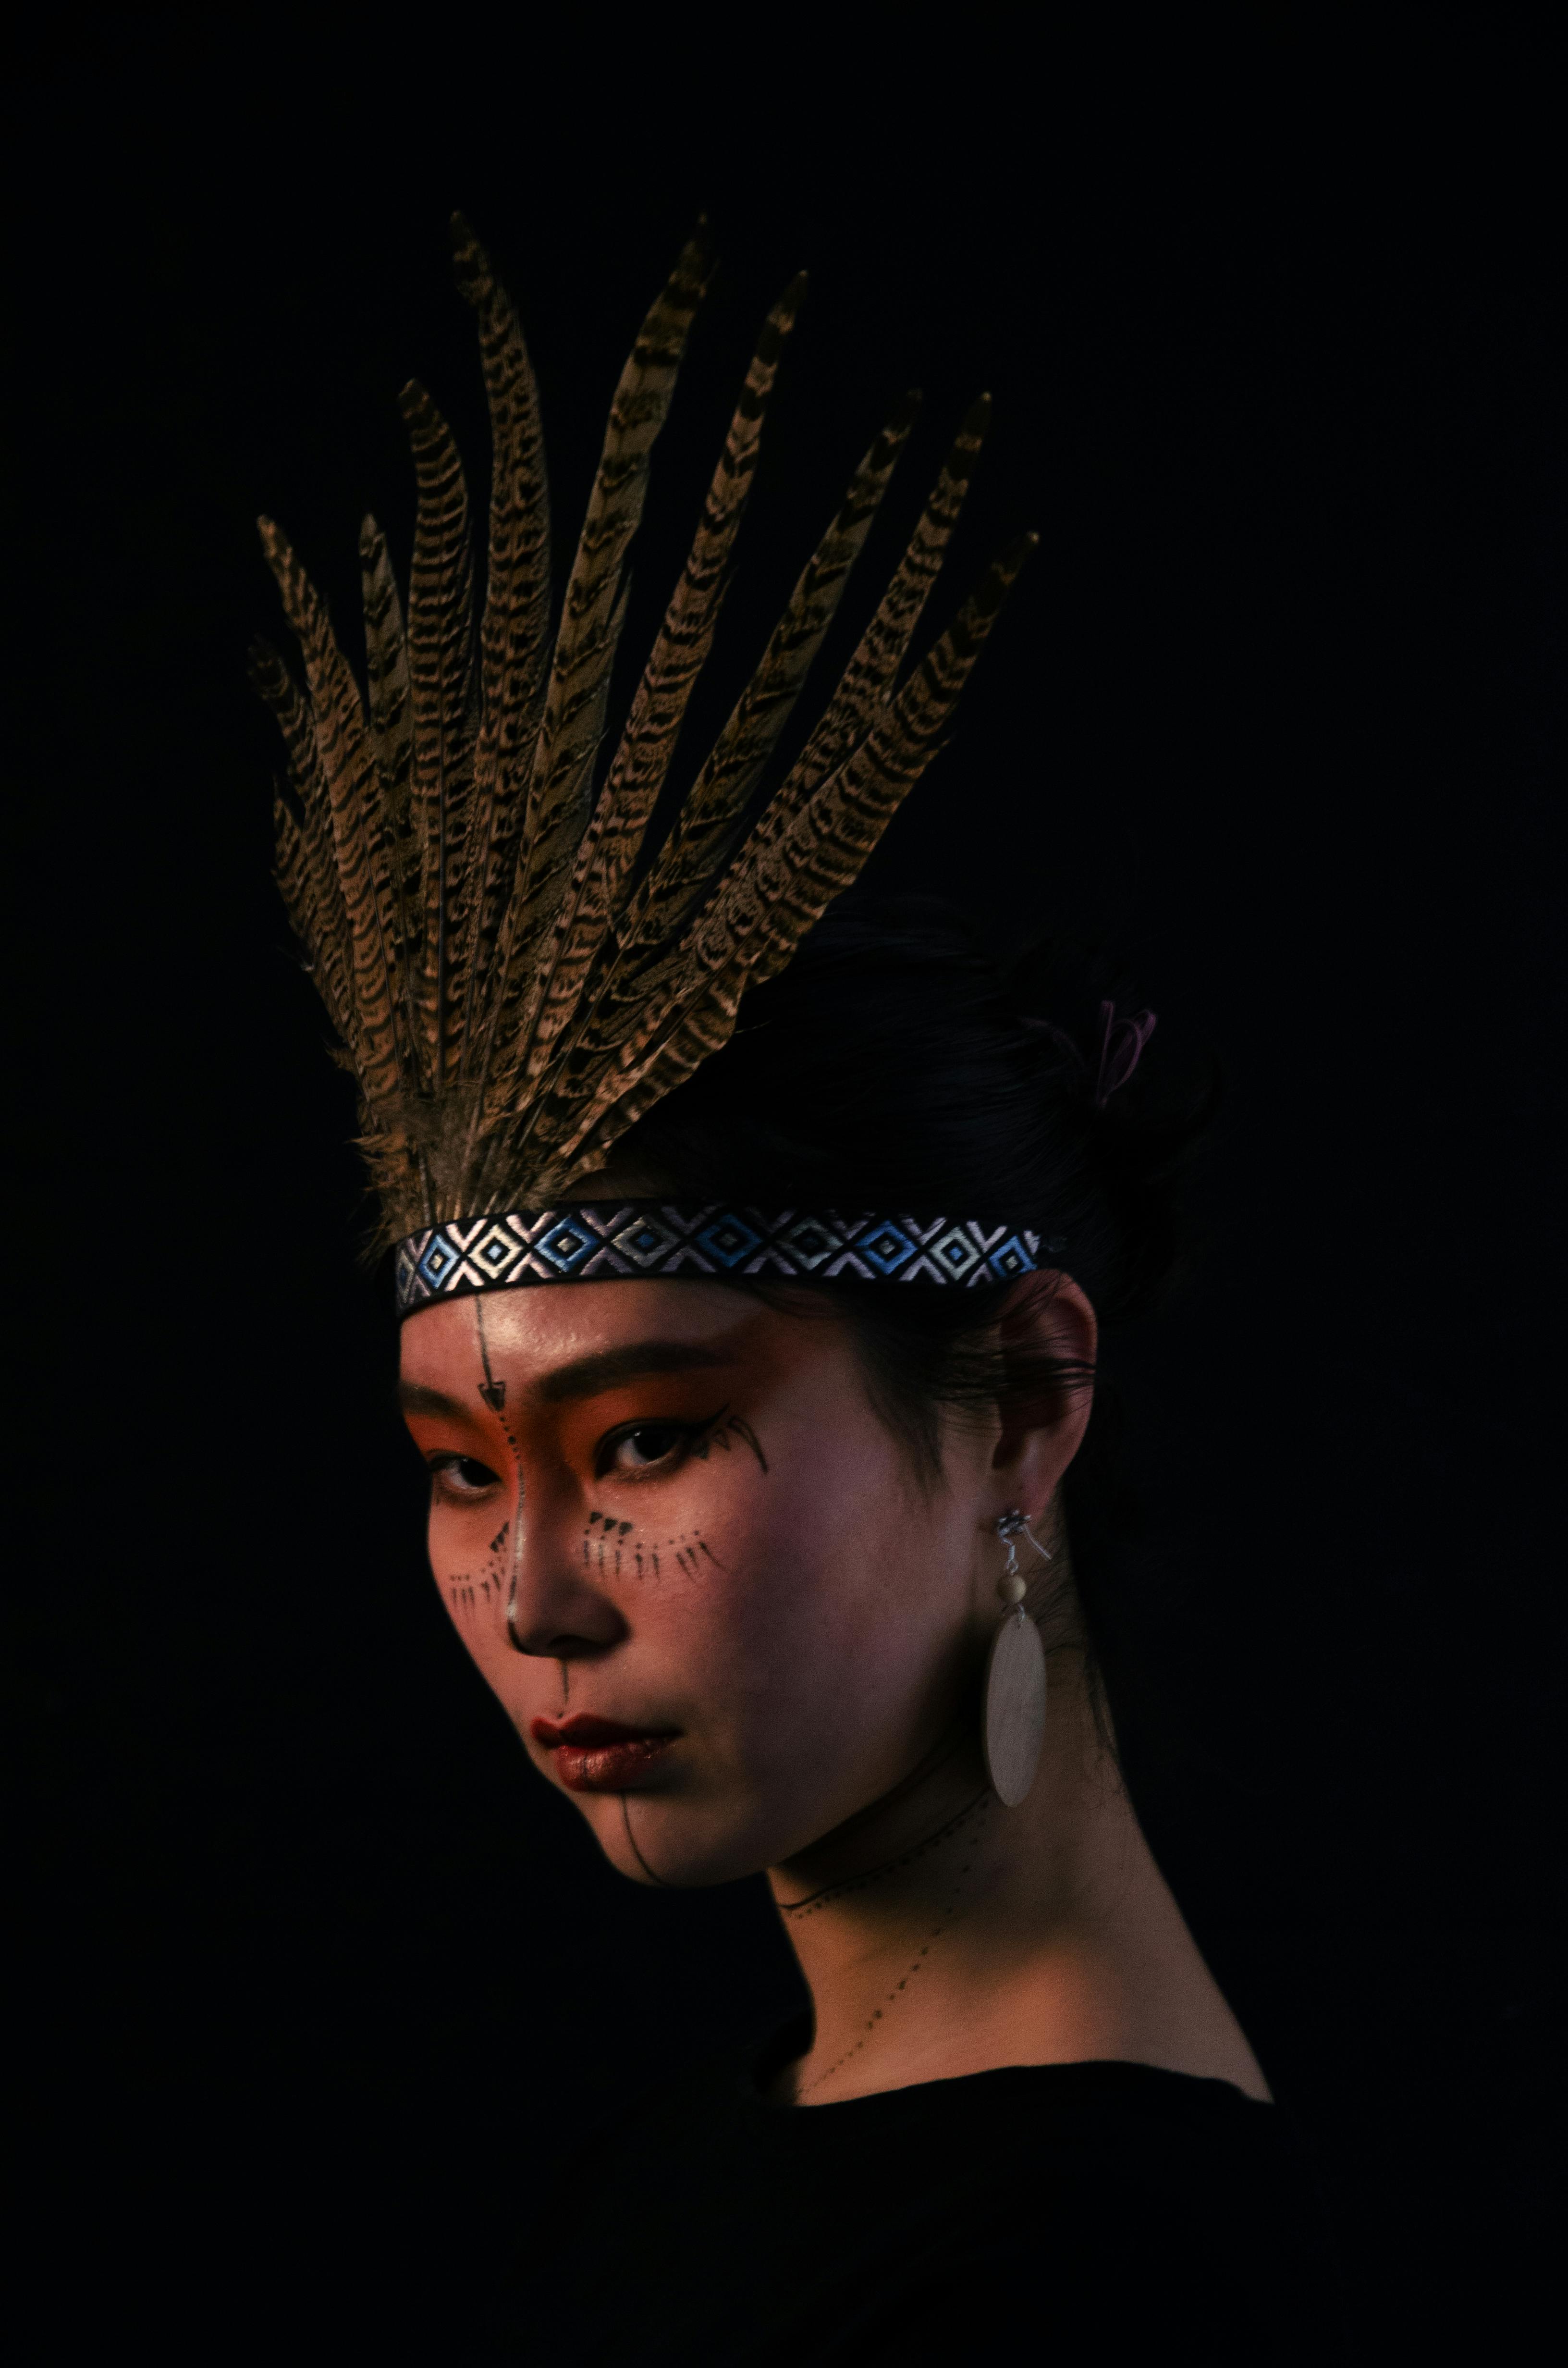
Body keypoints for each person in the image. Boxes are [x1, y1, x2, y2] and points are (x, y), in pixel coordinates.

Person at [256, 218, 1348, 2363]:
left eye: (647, 1433)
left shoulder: (1080, 2284)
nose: (537, 1593)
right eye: (465, 1467)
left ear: (1025, 1397)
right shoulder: (718, 2151)